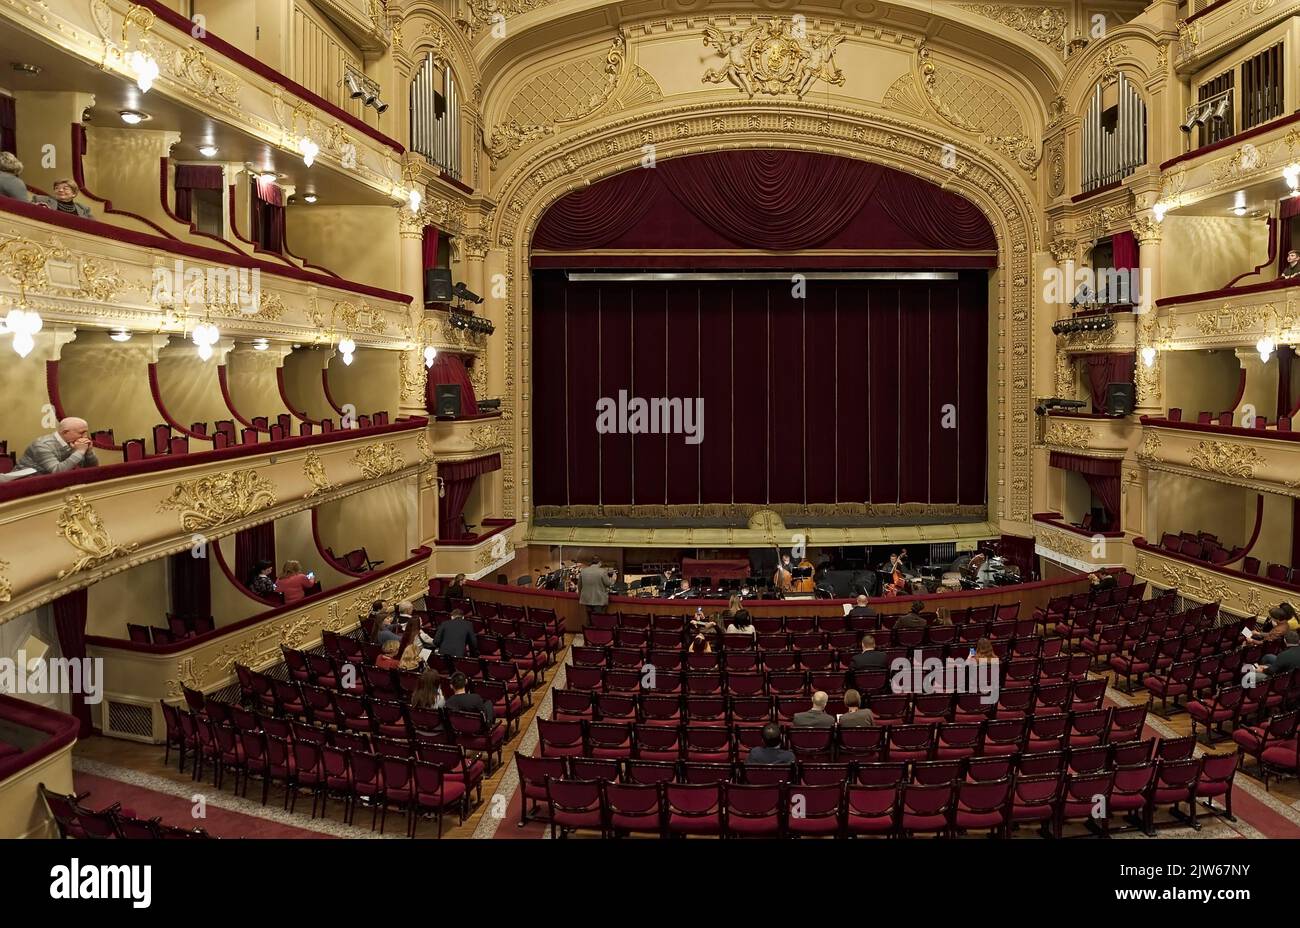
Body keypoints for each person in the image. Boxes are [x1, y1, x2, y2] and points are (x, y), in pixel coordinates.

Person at [18, 417, 99, 474]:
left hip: (52, 484)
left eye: (86, 432)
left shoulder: (75, 443)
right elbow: (57, 472)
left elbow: (93, 469)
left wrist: (89, 452)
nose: (85, 437)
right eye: (81, 433)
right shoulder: (42, 445)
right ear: (65, 432)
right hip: (24, 485)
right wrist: (80, 452)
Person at [577, 557, 614, 622]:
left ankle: (588, 631)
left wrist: (580, 594)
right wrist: (613, 578)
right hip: (599, 599)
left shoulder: (583, 571)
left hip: (586, 599)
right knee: (598, 620)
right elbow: (608, 583)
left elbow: (579, 585)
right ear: (599, 563)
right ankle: (598, 632)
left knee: (589, 619)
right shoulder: (602, 571)